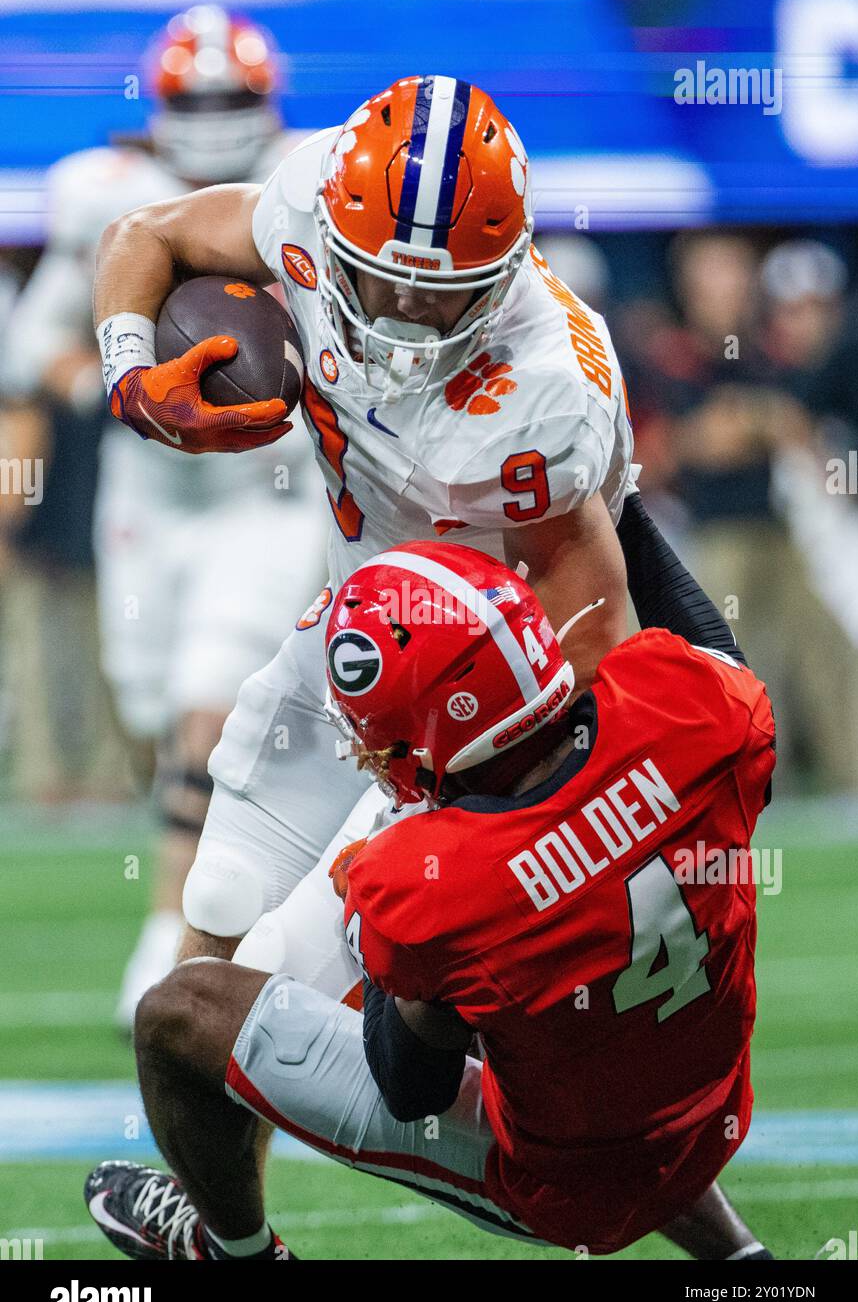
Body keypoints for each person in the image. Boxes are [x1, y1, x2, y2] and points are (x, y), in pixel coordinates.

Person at [84, 482, 776, 1260]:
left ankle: (234, 1252)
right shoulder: (693, 714)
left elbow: (411, 1085)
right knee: (583, 1030)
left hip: (564, 1185)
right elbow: (711, 647)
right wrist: (614, 490)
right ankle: (742, 1260)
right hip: (712, 1101)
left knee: (176, 1015)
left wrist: (376, 909)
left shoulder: (435, 882)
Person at [90, 74, 633, 1013]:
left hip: (477, 694)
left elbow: (593, 618)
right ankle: (193, 1166)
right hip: (353, 626)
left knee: (319, 977)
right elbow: (144, 236)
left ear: (503, 276)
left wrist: (458, 764)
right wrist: (135, 378)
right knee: (215, 908)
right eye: (377, 276)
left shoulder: (544, 389)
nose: (397, 314)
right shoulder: (307, 197)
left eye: (437, 295)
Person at [0, 6, 327, 1026]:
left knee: (211, 697)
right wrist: (131, 383)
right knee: (154, 713)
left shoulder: (311, 184)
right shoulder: (109, 194)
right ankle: (228, 883)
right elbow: (35, 351)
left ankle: (175, 926)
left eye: (234, 99)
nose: (219, 119)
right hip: (152, 496)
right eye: (200, 100)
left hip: (271, 495)